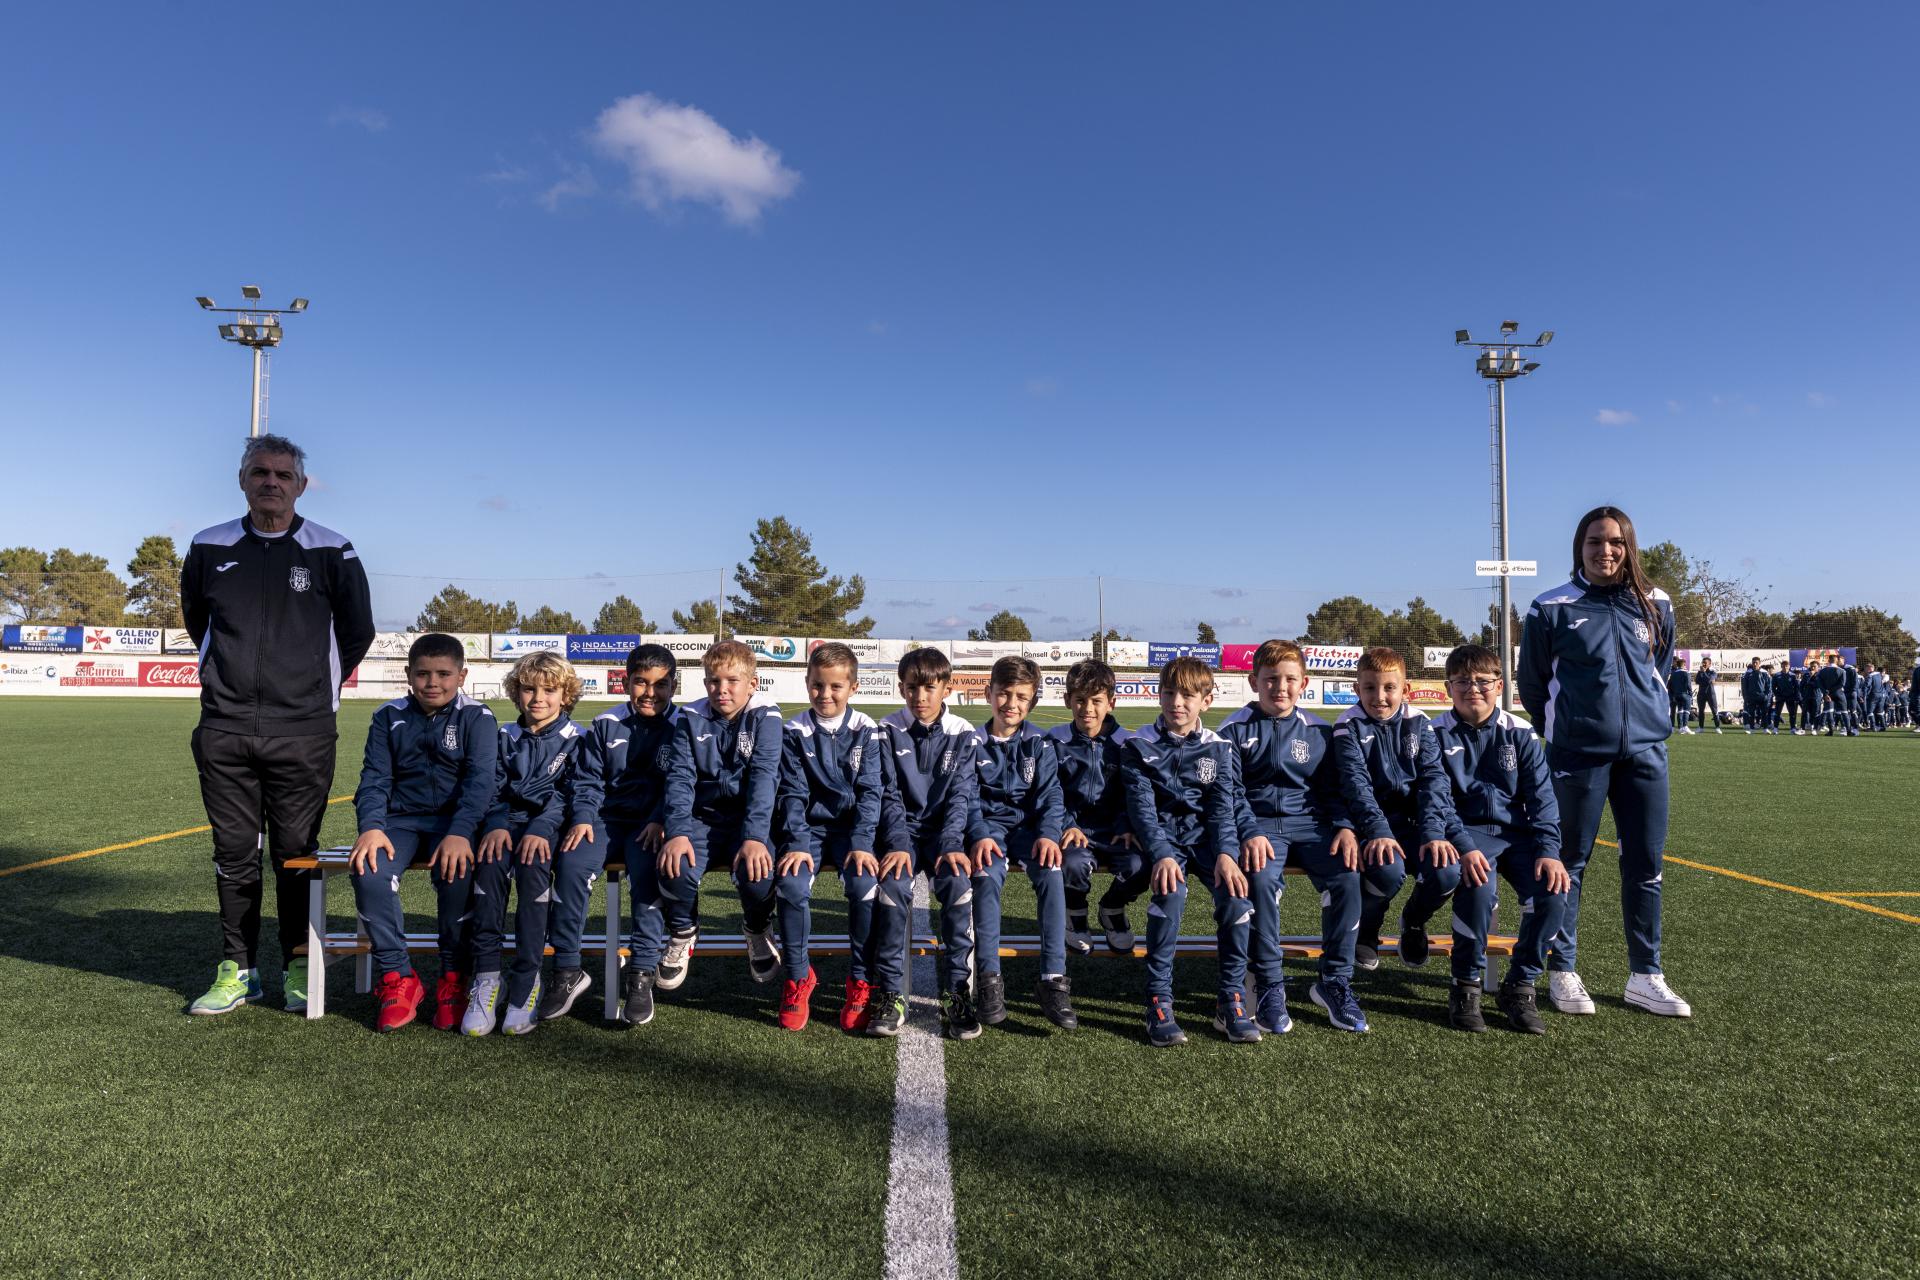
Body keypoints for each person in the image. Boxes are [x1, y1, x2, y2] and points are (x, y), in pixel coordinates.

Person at [183, 434, 375, 1016]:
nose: (272, 482)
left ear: (300, 484)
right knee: (234, 852)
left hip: (304, 730)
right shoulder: (209, 546)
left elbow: (357, 631)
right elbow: (199, 622)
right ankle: (239, 970)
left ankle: (297, 964)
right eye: (261, 472)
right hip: (226, 727)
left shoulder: (332, 550)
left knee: (296, 853)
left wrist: (307, 688)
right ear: (243, 480)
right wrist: (231, 681)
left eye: (283, 474)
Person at [1517, 504, 1691, 1018]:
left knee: (1645, 864)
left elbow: (1657, 671)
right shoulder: (1550, 606)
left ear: (1629, 546)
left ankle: (1646, 974)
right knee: (1567, 865)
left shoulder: (1656, 603)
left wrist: (1644, 721)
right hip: (1576, 756)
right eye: (1595, 542)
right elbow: (1532, 686)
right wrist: (1569, 732)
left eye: (1615, 542)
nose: (1605, 551)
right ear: (1580, 547)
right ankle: (1563, 969)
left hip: (1645, 753)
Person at [345, 634, 498, 1032]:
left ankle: (452, 979)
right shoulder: (388, 716)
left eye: (444, 674)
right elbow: (375, 778)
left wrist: (462, 831)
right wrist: (372, 828)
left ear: (462, 675)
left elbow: (480, 782)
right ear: (408, 675)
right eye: (423, 673)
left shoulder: (478, 717)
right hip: (400, 821)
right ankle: (398, 977)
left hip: (454, 822)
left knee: (458, 872)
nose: (433, 682)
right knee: (370, 869)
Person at [1218, 639, 1365, 1036]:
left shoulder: (1319, 730)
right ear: (1254, 682)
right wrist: (1248, 832)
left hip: (1311, 825)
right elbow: (1230, 793)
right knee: (1262, 880)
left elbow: (1332, 790)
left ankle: (1334, 982)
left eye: (1288, 680)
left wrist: (1346, 826)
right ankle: (1269, 984)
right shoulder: (1232, 730)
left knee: (1348, 878)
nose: (1279, 688)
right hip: (1260, 826)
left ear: (1304, 683)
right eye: (1270, 679)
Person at [1420, 645, 1570, 1033]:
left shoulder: (1520, 733)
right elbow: (1438, 801)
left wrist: (1549, 851)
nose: (1473, 689)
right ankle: (1465, 985)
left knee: (1552, 893)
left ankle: (1520, 986)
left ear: (1499, 685)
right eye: (1463, 682)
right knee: (1479, 890)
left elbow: (1542, 797)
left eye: (1483, 681)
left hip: (1515, 835)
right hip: (1465, 835)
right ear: (1448, 687)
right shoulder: (1433, 734)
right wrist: (1465, 846)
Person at [633, 640, 785, 1008]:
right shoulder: (690, 716)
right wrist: (679, 831)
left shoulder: (767, 716)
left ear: (753, 683)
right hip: (700, 818)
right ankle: (683, 929)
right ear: (704, 684)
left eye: (733, 680)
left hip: (747, 819)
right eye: (714, 681)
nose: (722, 689)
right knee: (673, 864)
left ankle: (757, 927)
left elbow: (765, 780)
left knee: (758, 872)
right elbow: (680, 778)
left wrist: (754, 838)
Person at [1121, 656, 1257, 1046]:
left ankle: (1230, 999)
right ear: (1158, 695)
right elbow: (1142, 812)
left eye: (1187, 695)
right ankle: (1159, 1001)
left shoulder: (1220, 749)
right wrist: (1162, 853)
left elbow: (1222, 809)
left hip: (1206, 842)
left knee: (1236, 894)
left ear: (1206, 702)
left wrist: (1228, 854)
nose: (1176, 702)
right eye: (1169, 693)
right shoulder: (1139, 745)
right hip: (1162, 841)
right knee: (1170, 892)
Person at [544, 643, 680, 1027]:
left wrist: (660, 818)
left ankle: (641, 975)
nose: (649, 692)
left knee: (650, 876)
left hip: (650, 826)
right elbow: (588, 779)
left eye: (660, 684)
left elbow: (680, 782)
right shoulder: (605, 724)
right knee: (570, 866)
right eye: (641, 682)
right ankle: (567, 969)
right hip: (604, 820)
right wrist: (584, 818)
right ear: (626, 683)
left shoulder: (682, 727)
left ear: (673, 686)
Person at [466, 651, 587, 1036]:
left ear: (565, 695)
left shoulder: (577, 739)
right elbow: (491, 786)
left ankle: (527, 981)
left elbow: (568, 794)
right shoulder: (503, 735)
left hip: (546, 829)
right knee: (488, 865)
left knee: (534, 870)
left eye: (549, 690)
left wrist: (540, 827)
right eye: (528, 689)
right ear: (515, 693)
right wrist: (497, 823)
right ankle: (487, 978)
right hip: (503, 826)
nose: (538, 698)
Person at [772, 642, 886, 1033]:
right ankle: (798, 977)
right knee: (790, 884)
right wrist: (798, 842)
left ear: (853, 688)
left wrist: (862, 843)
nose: (825, 695)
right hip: (809, 829)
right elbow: (791, 793)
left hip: (853, 831)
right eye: (818, 686)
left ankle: (860, 980)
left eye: (836, 687)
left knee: (864, 885)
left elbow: (872, 793)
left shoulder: (867, 730)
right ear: (807, 684)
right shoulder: (794, 731)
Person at [872, 647, 982, 1039]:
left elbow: (961, 796)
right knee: (892, 886)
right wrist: (899, 842)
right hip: (902, 834)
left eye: (929, 688)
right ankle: (891, 993)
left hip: (943, 836)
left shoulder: (964, 733)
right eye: (912, 688)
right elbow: (888, 794)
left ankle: (958, 991)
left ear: (946, 689)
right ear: (901, 688)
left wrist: (953, 843)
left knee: (956, 884)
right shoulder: (885, 730)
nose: (920, 697)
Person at [965, 655, 1075, 1031]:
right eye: (1004, 694)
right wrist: (978, 833)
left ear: (1032, 702)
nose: (1011, 704)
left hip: (1029, 830)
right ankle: (990, 979)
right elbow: (965, 798)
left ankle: (1053, 980)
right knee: (986, 874)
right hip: (989, 829)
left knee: (1052, 871)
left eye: (1021, 697)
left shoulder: (1040, 745)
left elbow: (1051, 796)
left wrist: (1047, 834)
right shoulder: (971, 744)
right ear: (988, 694)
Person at [1331, 647, 1449, 973]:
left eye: (1389, 688)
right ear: (1357, 690)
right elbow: (1357, 788)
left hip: (1414, 825)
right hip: (1370, 826)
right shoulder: (1347, 726)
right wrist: (1378, 832)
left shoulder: (1420, 723)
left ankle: (1413, 922)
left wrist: (1433, 833)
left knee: (1446, 870)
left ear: (1405, 689)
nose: (1380, 697)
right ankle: (1368, 929)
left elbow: (1434, 781)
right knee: (1387, 869)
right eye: (1370, 688)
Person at [1046, 659, 1145, 956]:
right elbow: (1050, 791)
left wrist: (1126, 824)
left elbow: (1134, 792)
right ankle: (1075, 915)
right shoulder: (1054, 741)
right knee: (1072, 864)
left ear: (1111, 703)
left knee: (1141, 865)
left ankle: (1112, 908)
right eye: (1080, 700)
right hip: (1073, 832)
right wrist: (1067, 824)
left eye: (1096, 701)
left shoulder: (1128, 742)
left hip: (1114, 832)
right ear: (1067, 701)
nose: (1087, 708)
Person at [1694, 657, 1721, 734]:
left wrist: (1704, 673)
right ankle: (1701, 727)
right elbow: (1697, 681)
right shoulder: (1700, 672)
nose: (1704, 664)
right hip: (1701, 694)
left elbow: (1709, 680)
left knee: (1714, 711)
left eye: (1705, 663)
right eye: (1703, 662)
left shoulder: (1713, 672)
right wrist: (1702, 673)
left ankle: (1717, 727)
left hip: (1710, 694)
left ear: (1710, 664)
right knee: (1701, 711)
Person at [1667, 657, 1694, 734]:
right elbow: (1689, 685)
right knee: (1687, 710)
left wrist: (1673, 694)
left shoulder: (1673, 674)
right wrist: (1690, 694)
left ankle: (1681, 728)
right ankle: (1685, 726)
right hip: (1684, 694)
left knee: (1680, 710)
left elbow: (1669, 685)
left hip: (1676, 695)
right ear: (1684, 665)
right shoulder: (1686, 673)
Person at [1771, 661, 1798, 735]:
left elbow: (1796, 687)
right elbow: (1773, 687)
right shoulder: (1777, 675)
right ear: (1781, 666)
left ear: (1789, 666)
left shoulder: (1793, 675)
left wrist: (1795, 696)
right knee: (1777, 713)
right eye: (1783, 666)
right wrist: (1777, 695)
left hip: (1790, 697)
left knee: (1792, 714)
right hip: (1780, 697)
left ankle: (1792, 728)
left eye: (1786, 666)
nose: (1785, 667)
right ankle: (1775, 728)